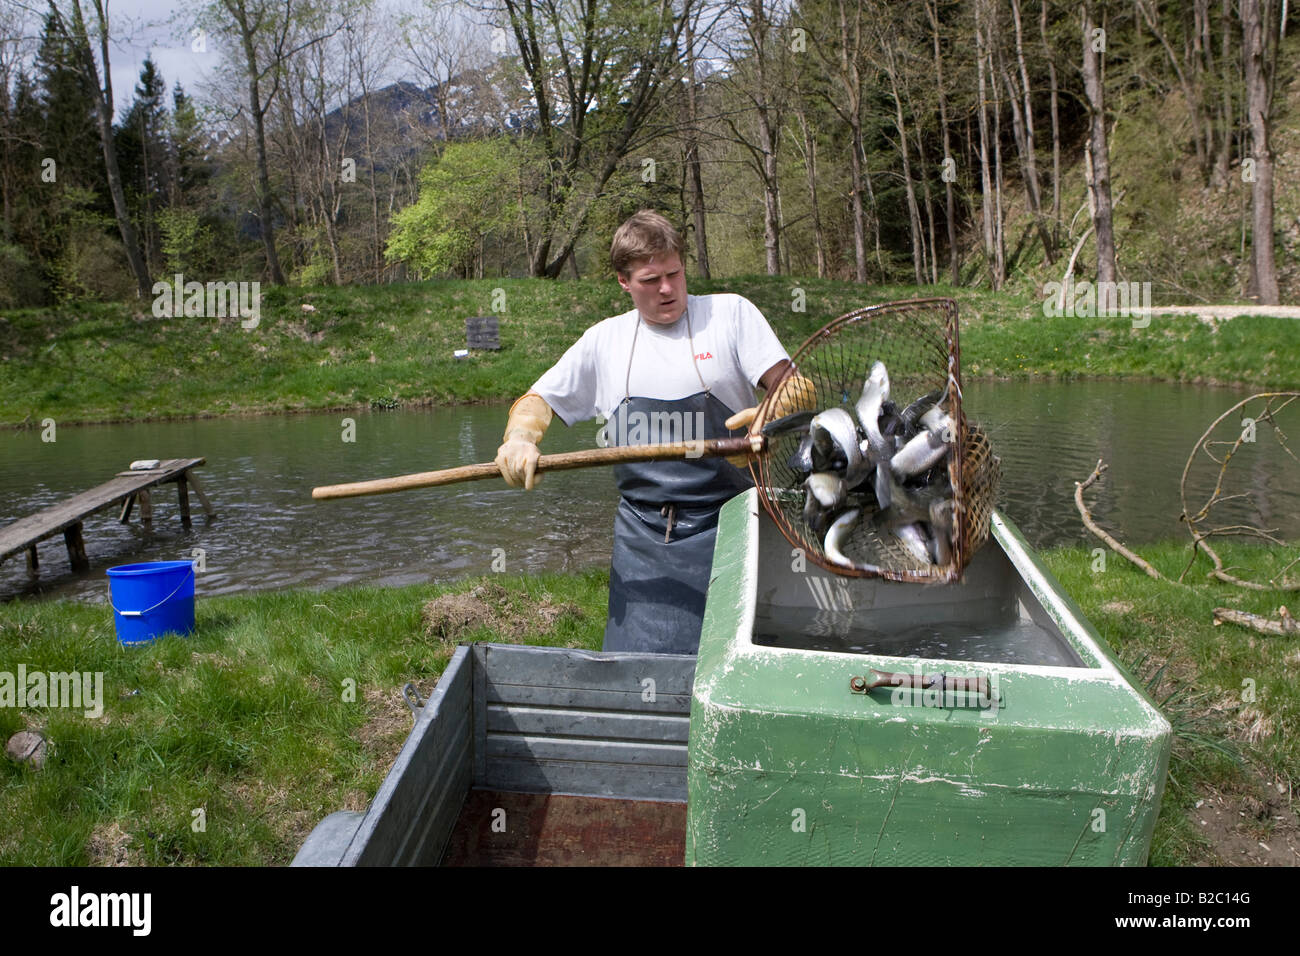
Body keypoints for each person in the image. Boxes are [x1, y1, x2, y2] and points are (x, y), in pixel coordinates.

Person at [495, 210, 814, 654]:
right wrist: (520, 438)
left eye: (674, 274)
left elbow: (796, 386)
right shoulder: (604, 342)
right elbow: (538, 400)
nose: (667, 289)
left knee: (735, 657)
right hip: (642, 539)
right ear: (623, 281)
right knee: (638, 667)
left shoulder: (730, 314)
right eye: (650, 280)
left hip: (732, 524)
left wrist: (770, 417)